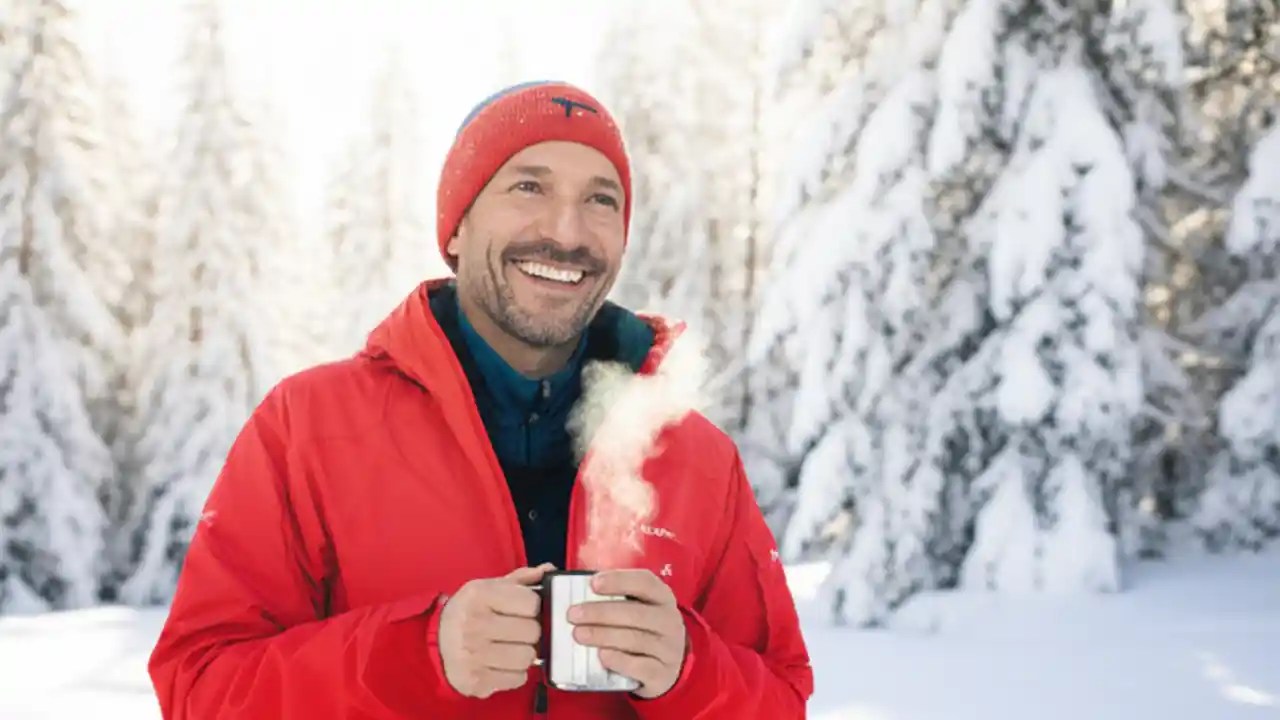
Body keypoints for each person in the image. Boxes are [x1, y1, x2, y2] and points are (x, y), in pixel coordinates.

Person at [148, 80, 813, 719]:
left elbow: (781, 700)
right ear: (458, 227)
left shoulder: (698, 459)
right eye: (529, 186)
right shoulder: (308, 427)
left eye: (601, 200)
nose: (567, 231)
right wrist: (417, 655)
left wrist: (688, 670)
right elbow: (200, 690)